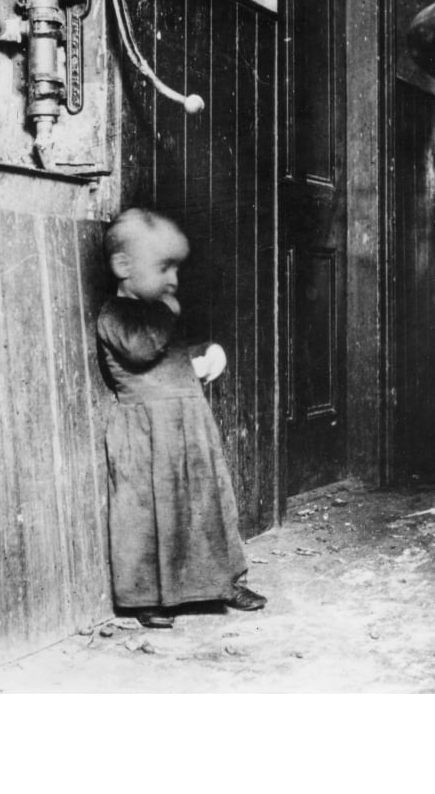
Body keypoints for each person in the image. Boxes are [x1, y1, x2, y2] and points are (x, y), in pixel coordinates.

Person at [96, 207, 267, 629]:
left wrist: (203, 356)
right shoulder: (116, 314)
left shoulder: (154, 313)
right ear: (123, 266)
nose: (173, 279)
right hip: (147, 431)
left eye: (176, 268)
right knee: (147, 514)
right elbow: (141, 349)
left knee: (207, 503)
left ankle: (222, 582)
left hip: (188, 423)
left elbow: (168, 357)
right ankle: (148, 598)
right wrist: (168, 313)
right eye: (163, 267)